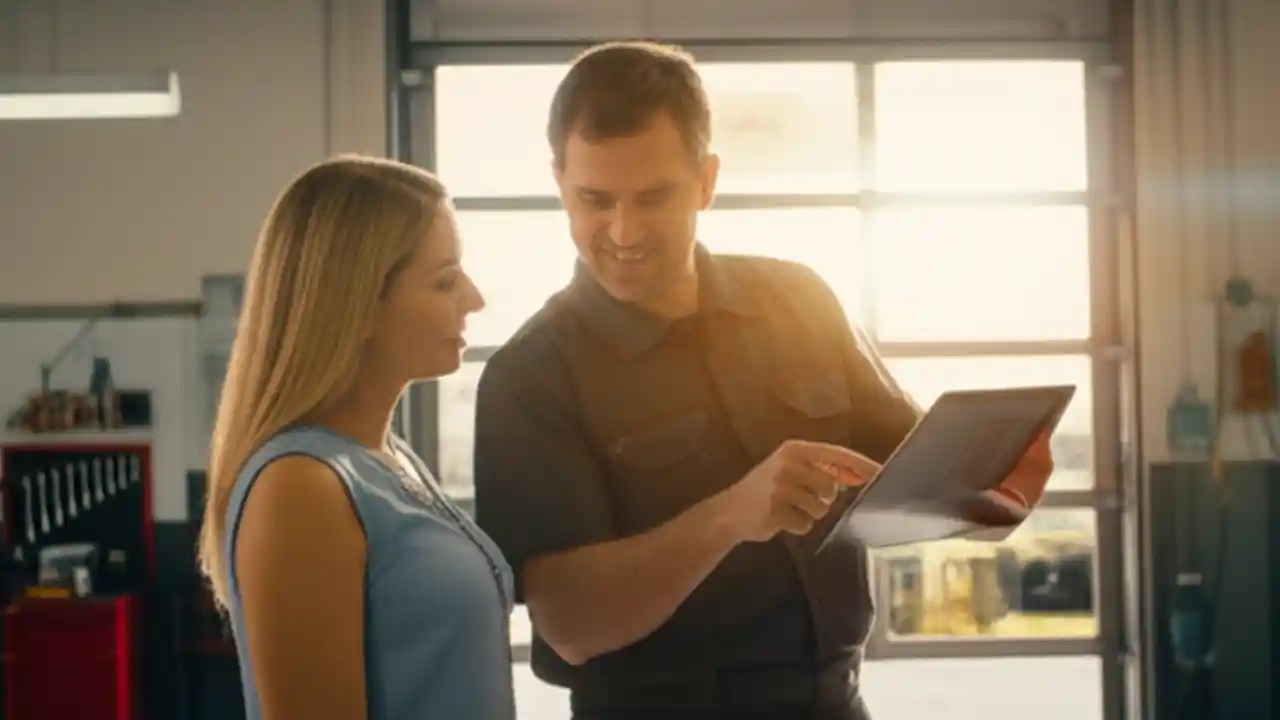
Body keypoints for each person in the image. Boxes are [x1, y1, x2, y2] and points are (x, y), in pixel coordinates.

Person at [472, 41, 1055, 719]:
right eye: (594, 200)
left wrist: (990, 493)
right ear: (560, 184)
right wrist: (729, 516)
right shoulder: (529, 377)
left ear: (707, 181)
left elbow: (920, 485)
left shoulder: (797, 299)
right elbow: (572, 627)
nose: (623, 232)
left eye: (654, 198)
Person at [197, 155, 515, 720]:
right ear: (359, 305)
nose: (474, 299)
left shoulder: (389, 459)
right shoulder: (301, 487)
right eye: (445, 280)